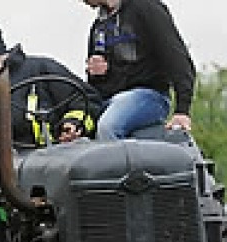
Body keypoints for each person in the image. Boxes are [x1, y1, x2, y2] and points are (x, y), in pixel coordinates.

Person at [0, 21, 102, 152]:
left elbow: (87, 100)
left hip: (61, 158)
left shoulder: (43, 69)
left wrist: (73, 124)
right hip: (15, 165)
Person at [81, 0, 196, 140]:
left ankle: (115, 161)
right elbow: (97, 84)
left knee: (108, 127)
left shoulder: (145, 7)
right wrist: (98, 74)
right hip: (111, 100)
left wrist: (182, 110)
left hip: (150, 96)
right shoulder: (98, 27)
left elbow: (176, 57)